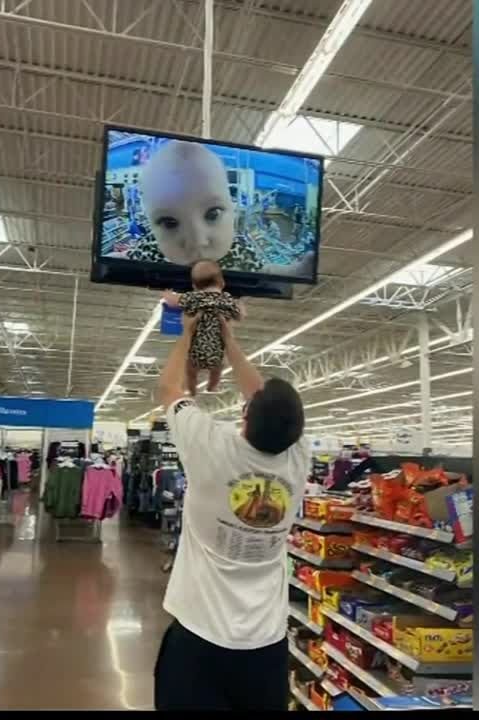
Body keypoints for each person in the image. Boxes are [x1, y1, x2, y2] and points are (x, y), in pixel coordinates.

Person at [152, 312, 311, 711]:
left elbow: (169, 386)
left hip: (198, 640)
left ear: (245, 415)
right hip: (265, 646)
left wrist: (191, 333)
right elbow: (265, 402)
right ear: (297, 430)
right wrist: (229, 339)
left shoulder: (210, 448)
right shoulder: (298, 458)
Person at [138, 140, 236, 264]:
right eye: (169, 223)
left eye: (213, 214)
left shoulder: (243, 254)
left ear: (233, 210)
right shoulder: (147, 255)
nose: (197, 242)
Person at [160, 260, 245, 393]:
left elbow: (172, 302)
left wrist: (167, 294)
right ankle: (212, 385)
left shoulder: (193, 298)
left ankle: (192, 389)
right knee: (217, 370)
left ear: (194, 286)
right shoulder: (227, 300)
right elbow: (240, 316)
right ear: (222, 283)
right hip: (216, 353)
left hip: (195, 353)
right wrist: (239, 305)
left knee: (190, 372)